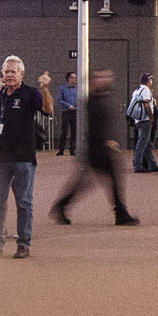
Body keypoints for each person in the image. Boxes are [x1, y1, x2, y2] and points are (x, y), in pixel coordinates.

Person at [53, 63, 139, 227]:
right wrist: (106, 139)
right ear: (93, 80)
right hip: (97, 148)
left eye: (107, 76)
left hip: (101, 148)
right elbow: (93, 126)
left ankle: (61, 206)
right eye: (101, 77)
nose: (105, 79)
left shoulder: (104, 97)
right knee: (101, 180)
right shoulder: (92, 100)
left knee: (89, 182)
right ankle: (120, 213)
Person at [0, 56, 46, 258]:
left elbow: (47, 110)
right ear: (2, 74)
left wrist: (45, 89)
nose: (10, 75)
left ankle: (23, 243)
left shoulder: (30, 93)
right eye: (7, 71)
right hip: (0, 159)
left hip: (24, 158)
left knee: (24, 202)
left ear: (21, 74)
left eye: (13, 71)